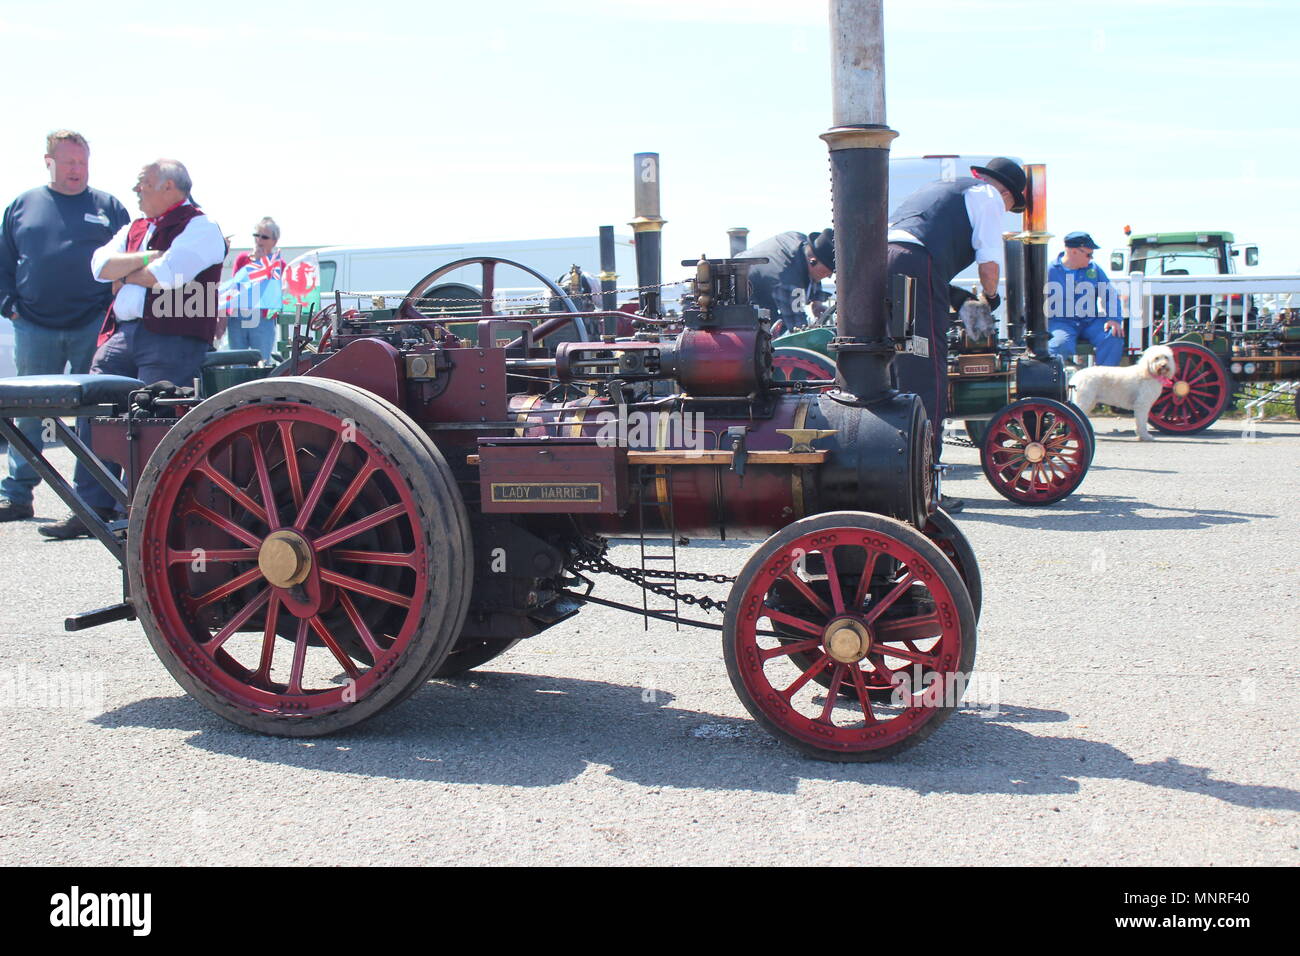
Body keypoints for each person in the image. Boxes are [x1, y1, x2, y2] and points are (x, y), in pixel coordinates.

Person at [40, 159, 226, 540]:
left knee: (153, 426)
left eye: (143, 184)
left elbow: (168, 276)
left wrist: (125, 274)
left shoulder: (202, 227)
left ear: (171, 186)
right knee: (93, 418)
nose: (135, 190)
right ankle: (91, 508)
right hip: (122, 335)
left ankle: (149, 516)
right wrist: (144, 260)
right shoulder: (135, 228)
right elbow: (97, 265)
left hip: (173, 339)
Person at [0, 131, 130, 522]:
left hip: (93, 323)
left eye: (83, 162)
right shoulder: (23, 205)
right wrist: (10, 306)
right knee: (30, 411)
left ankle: (89, 499)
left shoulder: (108, 207)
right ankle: (18, 495)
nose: (77, 170)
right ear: (49, 161)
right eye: (69, 162)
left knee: (95, 413)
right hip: (34, 325)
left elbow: (132, 256)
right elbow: (5, 262)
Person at [886, 157, 1026, 512]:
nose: (1006, 211)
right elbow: (990, 263)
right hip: (916, 262)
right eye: (1012, 206)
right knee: (927, 374)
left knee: (892, 369)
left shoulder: (939, 191)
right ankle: (925, 488)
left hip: (881, 259)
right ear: (1007, 192)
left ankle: (890, 474)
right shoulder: (989, 196)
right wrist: (990, 298)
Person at [1046, 231, 1125, 366]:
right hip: (1061, 322)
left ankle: (1104, 380)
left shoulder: (1094, 269)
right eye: (1089, 254)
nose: (1091, 258)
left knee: (1113, 336)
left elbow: (1109, 294)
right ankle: (1058, 383)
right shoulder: (1049, 271)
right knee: (1058, 345)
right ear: (1073, 251)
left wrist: (1113, 319)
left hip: (1090, 322)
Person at [741, 229, 834, 333]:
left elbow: (811, 273)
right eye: (828, 271)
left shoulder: (801, 244)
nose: (830, 276)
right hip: (742, 295)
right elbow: (798, 330)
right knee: (772, 332)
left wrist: (817, 303)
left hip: (765, 283)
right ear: (812, 260)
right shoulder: (787, 279)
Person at [222, 216, 284, 363]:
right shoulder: (242, 259)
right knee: (237, 362)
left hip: (262, 317)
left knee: (262, 362)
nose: (259, 240)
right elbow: (236, 285)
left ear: (274, 241)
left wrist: (263, 262)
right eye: (256, 235)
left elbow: (274, 291)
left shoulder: (278, 263)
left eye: (264, 237)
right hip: (238, 314)